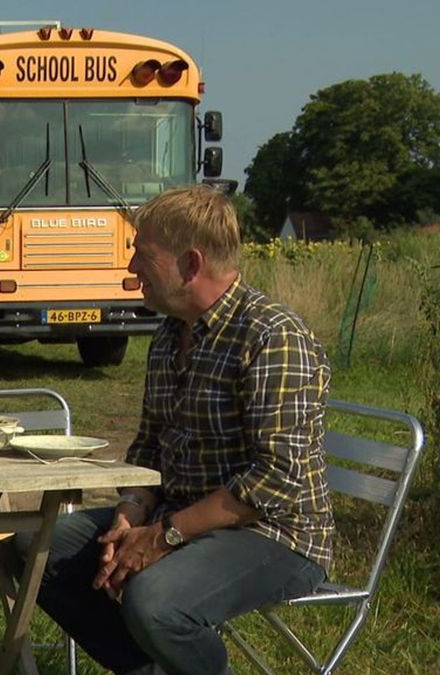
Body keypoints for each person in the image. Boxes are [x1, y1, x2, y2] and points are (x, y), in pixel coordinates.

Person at [21, 185, 334, 675]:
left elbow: (275, 480)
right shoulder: (170, 333)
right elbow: (149, 444)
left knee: (154, 603)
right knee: (34, 548)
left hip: (275, 533)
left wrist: (163, 537)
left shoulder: (272, 336)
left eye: (142, 255)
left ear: (191, 264)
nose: (131, 269)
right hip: (175, 514)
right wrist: (128, 516)